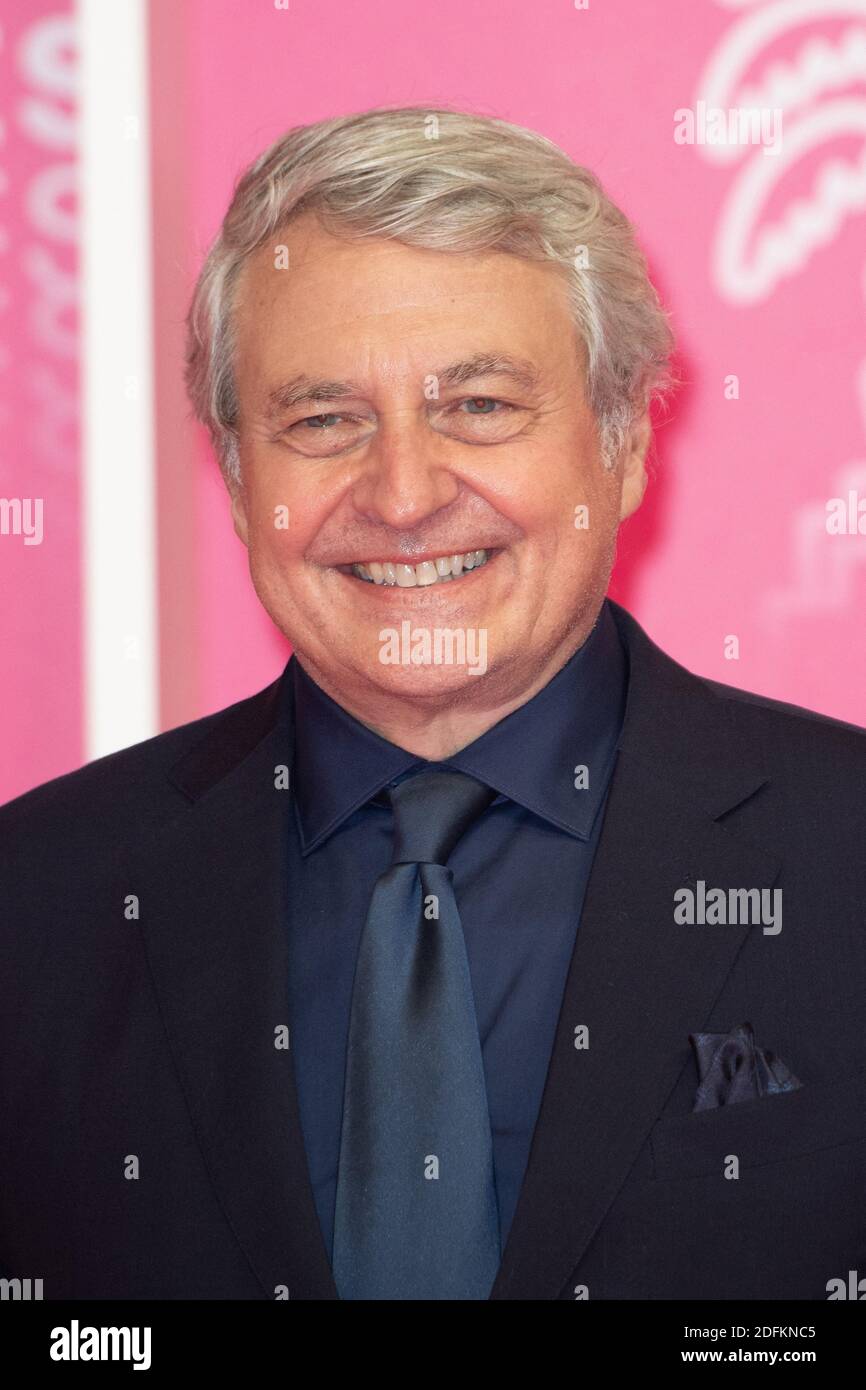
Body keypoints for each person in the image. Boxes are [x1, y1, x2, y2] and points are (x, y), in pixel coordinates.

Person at [2, 106, 865, 1301]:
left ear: (621, 444)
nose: (402, 494)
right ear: (242, 482)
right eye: (322, 421)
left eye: (478, 406)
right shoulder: (36, 900)